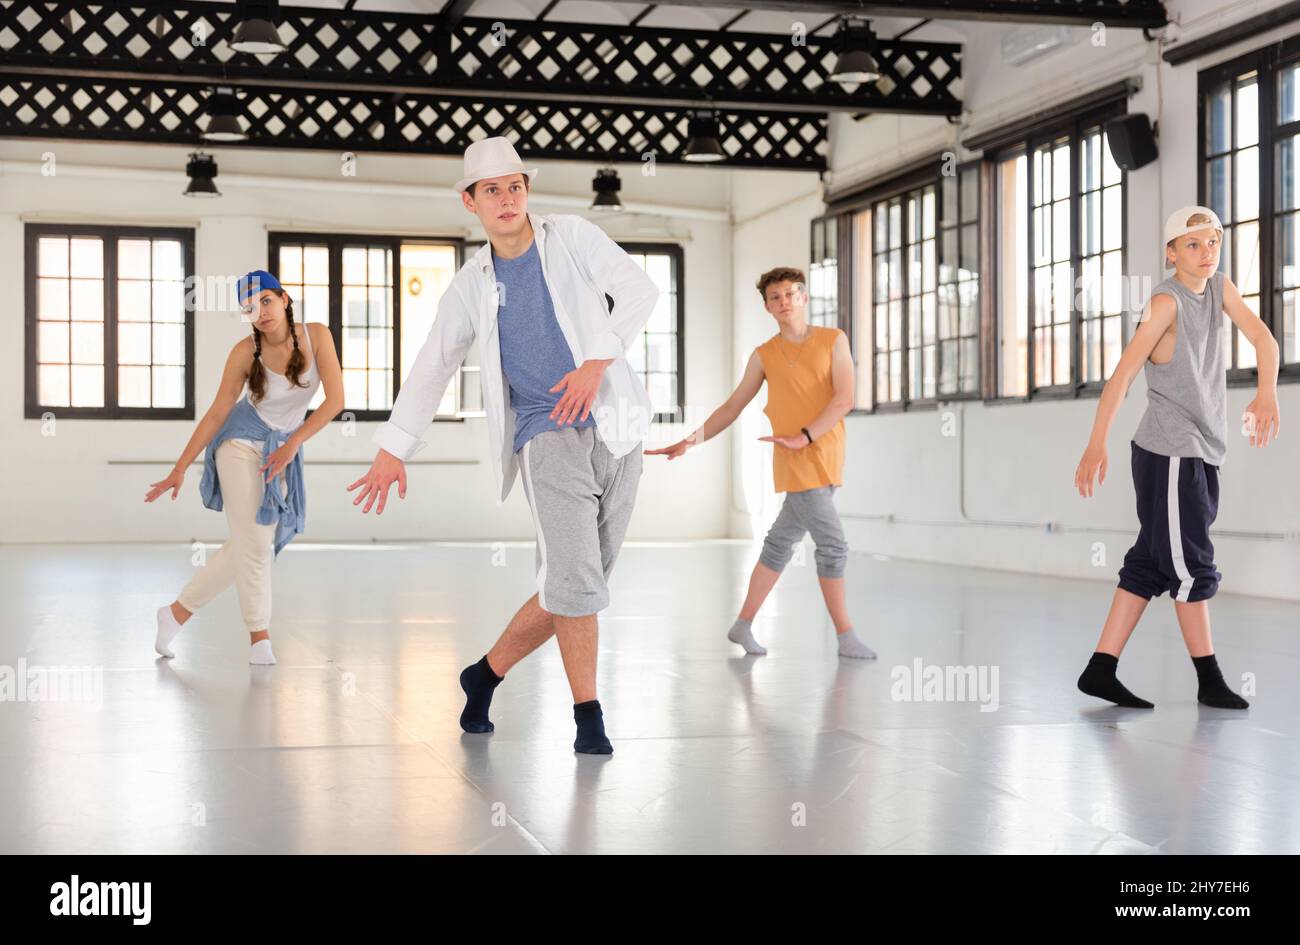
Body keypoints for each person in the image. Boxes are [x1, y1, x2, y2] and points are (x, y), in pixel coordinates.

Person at [348, 137, 658, 754]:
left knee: (579, 585)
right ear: (471, 202)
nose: (507, 198)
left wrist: (597, 363)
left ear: (526, 191)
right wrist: (393, 448)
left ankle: (483, 675)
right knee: (575, 580)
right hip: (544, 433)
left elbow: (639, 292)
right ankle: (588, 719)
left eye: (515, 186)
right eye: (492, 190)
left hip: (618, 426)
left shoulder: (571, 236)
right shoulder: (469, 286)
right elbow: (433, 365)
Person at [1073, 206, 1280, 709]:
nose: (1206, 252)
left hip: (1200, 451)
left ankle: (1101, 669)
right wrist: (1096, 441)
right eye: (1193, 245)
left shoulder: (1219, 288)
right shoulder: (1165, 304)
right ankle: (1209, 680)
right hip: (1169, 453)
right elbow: (1122, 375)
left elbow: (1263, 338)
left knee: (1148, 563)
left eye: (1213, 242)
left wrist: (1266, 392)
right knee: (1192, 566)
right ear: (1171, 253)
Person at [647, 267, 873, 659]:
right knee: (833, 547)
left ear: (803, 297)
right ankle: (845, 636)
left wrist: (806, 435)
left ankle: (742, 625)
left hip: (826, 454)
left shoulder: (834, 340)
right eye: (775, 297)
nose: (784, 301)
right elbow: (732, 407)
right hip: (796, 461)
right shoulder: (764, 355)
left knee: (779, 544)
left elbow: (844, 399)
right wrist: (689, 440)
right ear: (767, 307)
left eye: (790, 293)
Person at [146, 270, 343, 664]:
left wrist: (293, 443)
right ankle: (259, 638)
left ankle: (175, 613)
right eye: (249, 307)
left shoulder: (317, 335)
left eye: (265, 301)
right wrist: (180, 467)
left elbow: (335, 401)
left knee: (252, 543)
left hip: (280, 448)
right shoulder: (243, 352)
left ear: (284, 299)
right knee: (254, 541)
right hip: (237, 443)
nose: (260, 312)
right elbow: (219, 412)